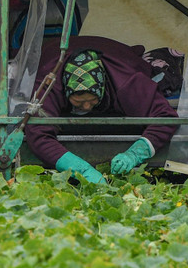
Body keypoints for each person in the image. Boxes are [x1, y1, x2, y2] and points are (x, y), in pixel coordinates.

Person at [25, 36, 178, 184]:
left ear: (103, 88)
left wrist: (134, 154)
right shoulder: (48, 86)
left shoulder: (128, 82)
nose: (86, 107)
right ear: (65, 90)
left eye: (92, 100)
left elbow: (166, 117)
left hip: (119, 54)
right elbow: (38, 135)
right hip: (53, 51)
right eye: (78, 101)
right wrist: (82, 170)